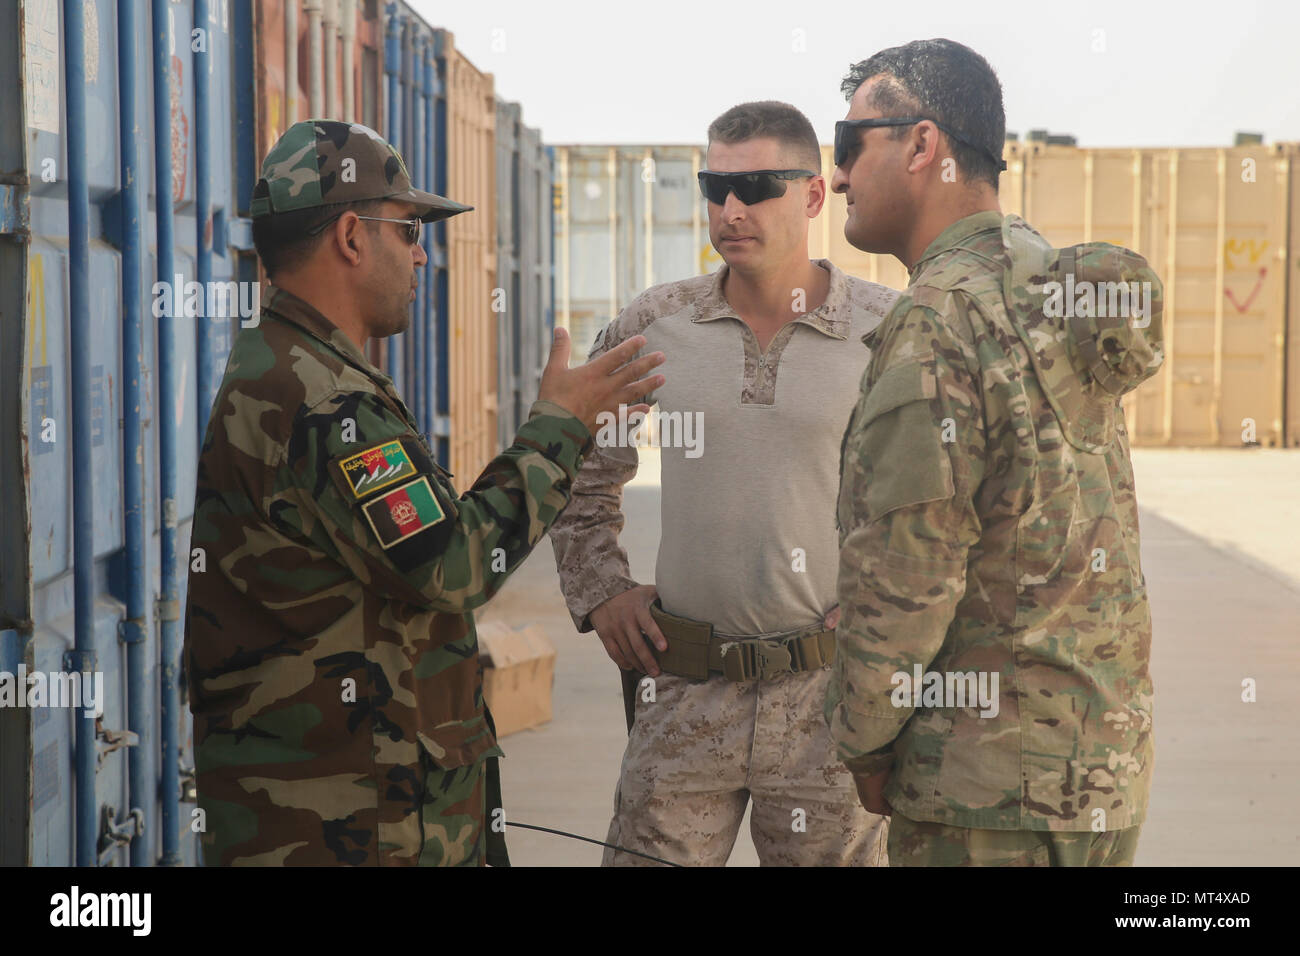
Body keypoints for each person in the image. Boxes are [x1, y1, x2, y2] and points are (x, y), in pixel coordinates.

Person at [183, 119, 664, 866]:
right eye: (407, 230)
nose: (422, 254)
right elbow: (455, 565)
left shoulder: (296, 365)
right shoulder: (324, 402)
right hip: (348, 826)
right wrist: (560, 427)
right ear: (350, 236)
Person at [826, 39, 1163, 866]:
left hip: (985, 796)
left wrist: (862, 740)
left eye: (847, 144)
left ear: (921, 145)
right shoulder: (1045, 284)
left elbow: (907, 576)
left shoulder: (938, 320)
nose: (834, 176)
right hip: (1101, 774)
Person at [549, 102, 899, 866]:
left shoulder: (886, 331)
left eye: (758, 187)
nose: (730, 209)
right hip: (683, 689)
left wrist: (887, 613)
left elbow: (941, 500)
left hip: (827, 702)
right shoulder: (656, 325)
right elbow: (580, 468)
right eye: (715, 187)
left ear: (812, 196)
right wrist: (601, 589)